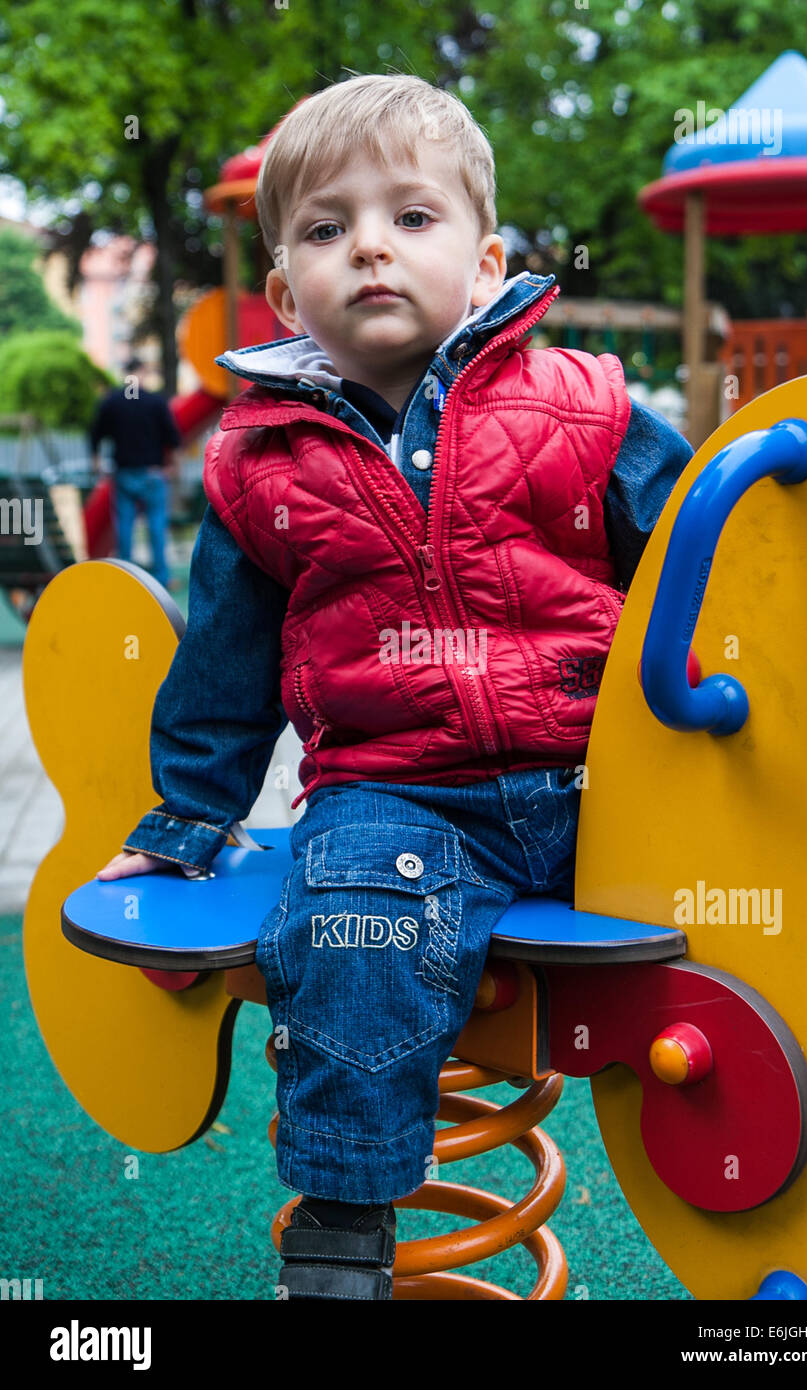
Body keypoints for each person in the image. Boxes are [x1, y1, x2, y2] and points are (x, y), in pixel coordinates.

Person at [95, 73, 693, 1301]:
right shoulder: (260, 461)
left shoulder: (582, 407)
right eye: (326, 228)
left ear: (484, 264)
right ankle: (343, 1219)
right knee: (345, 919)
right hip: (397, 794)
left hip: (603, 779)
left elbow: (700, 559)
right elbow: (223, 668)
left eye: (411, 217)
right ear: (284, 294)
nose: (369, 245)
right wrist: (184, 823)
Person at [89, 355, 182, 591]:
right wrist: (172, 465)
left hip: (124, 473)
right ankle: (162, 578)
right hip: (152, 473)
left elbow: (96, 433)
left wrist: (96, 460)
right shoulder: (155, 401)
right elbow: (172, 436)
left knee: (124, 526)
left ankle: (126, 576)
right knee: (156, 526)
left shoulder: (112, 401)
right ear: (142, 372)